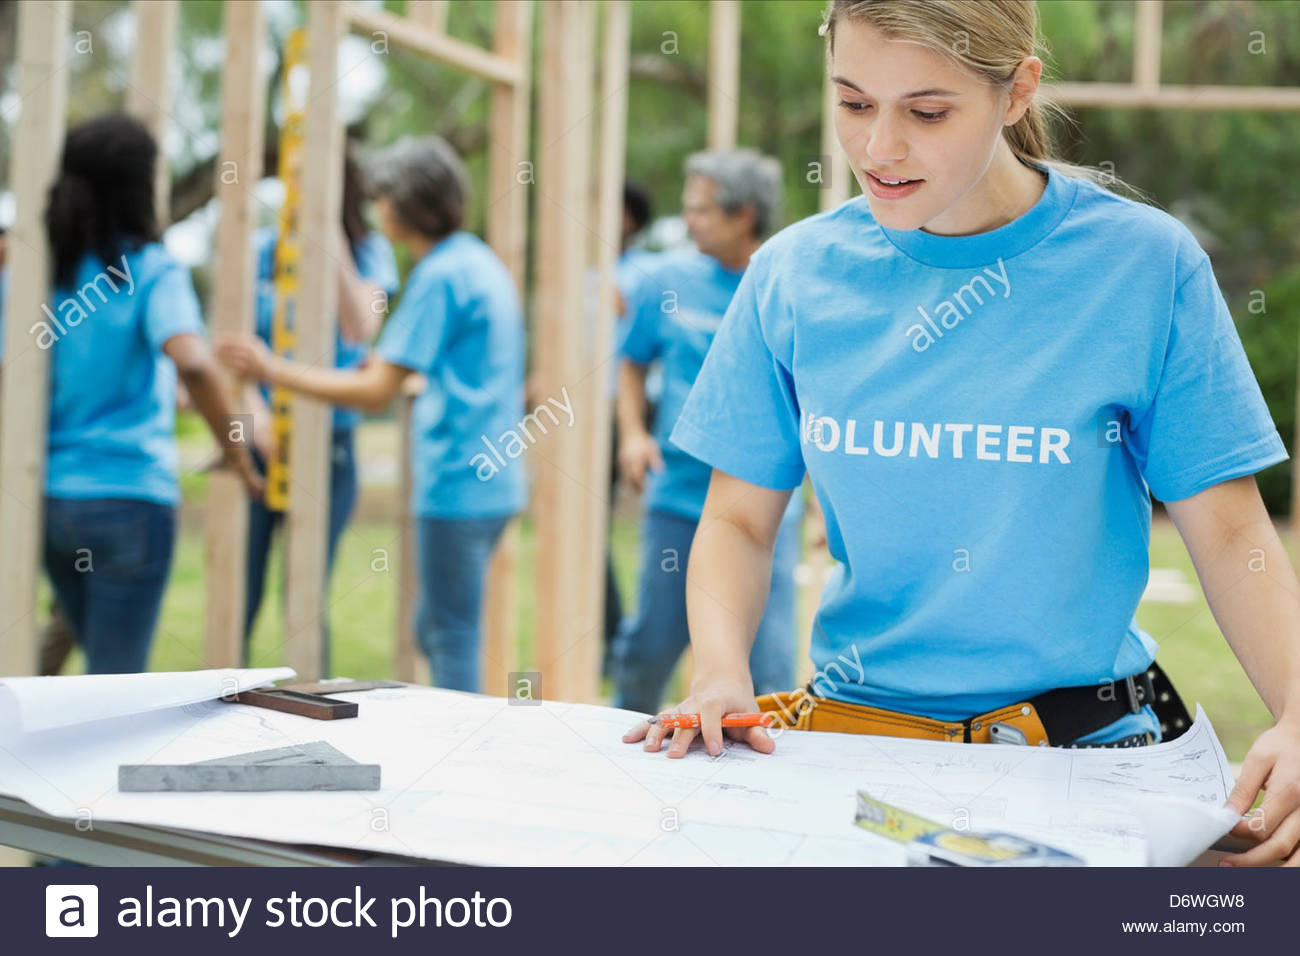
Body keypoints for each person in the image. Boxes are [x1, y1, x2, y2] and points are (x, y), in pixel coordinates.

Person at [624, 0, 1300, 867]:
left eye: (928, 112)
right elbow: (737, 521)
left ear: (1017, 92)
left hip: (1084, 759)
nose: (879, 149)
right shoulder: (791, 277)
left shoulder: (1144, 268)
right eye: (854, 103)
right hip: (855, 754)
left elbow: (1234, 532)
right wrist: (720, 671)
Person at [217, 135, 526, 692]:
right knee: (435, 629)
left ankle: (464, 759)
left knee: (450, 638)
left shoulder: (439, 277)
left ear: (405, 205)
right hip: (494, 482)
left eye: (383, 198)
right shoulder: (479, 262)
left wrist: (272, 370)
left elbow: (376, 389)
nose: (377, 208)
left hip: (458, 485)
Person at [38, 113, 260, 674]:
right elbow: (193, 361)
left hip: (50, 500)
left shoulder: (36, 271)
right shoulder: (150, 268)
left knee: (93, 679)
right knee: (115, 689)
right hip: (130, 501)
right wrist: (235, 448)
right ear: (141, 186)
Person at [612, 149, 802, 716]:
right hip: (679, 496)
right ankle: (623, 743)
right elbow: (631, 359)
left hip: (766, 507)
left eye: (700, 210)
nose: (687, 220)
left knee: (766, 667)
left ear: (743, 214)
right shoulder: (666, 280)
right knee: (650, 648)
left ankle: (758, 781)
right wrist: (631, 433)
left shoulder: (784, 283)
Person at [243, 149, 399, 675]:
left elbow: (362, 327)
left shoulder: (372, 253)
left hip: (330, 444)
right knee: (241, 590)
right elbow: (237, 351)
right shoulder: (262, 251)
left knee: (304, 595)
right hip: (260, 443)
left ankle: (310, 702)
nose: (295, 195)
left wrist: (325, 233)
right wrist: (254, 416)